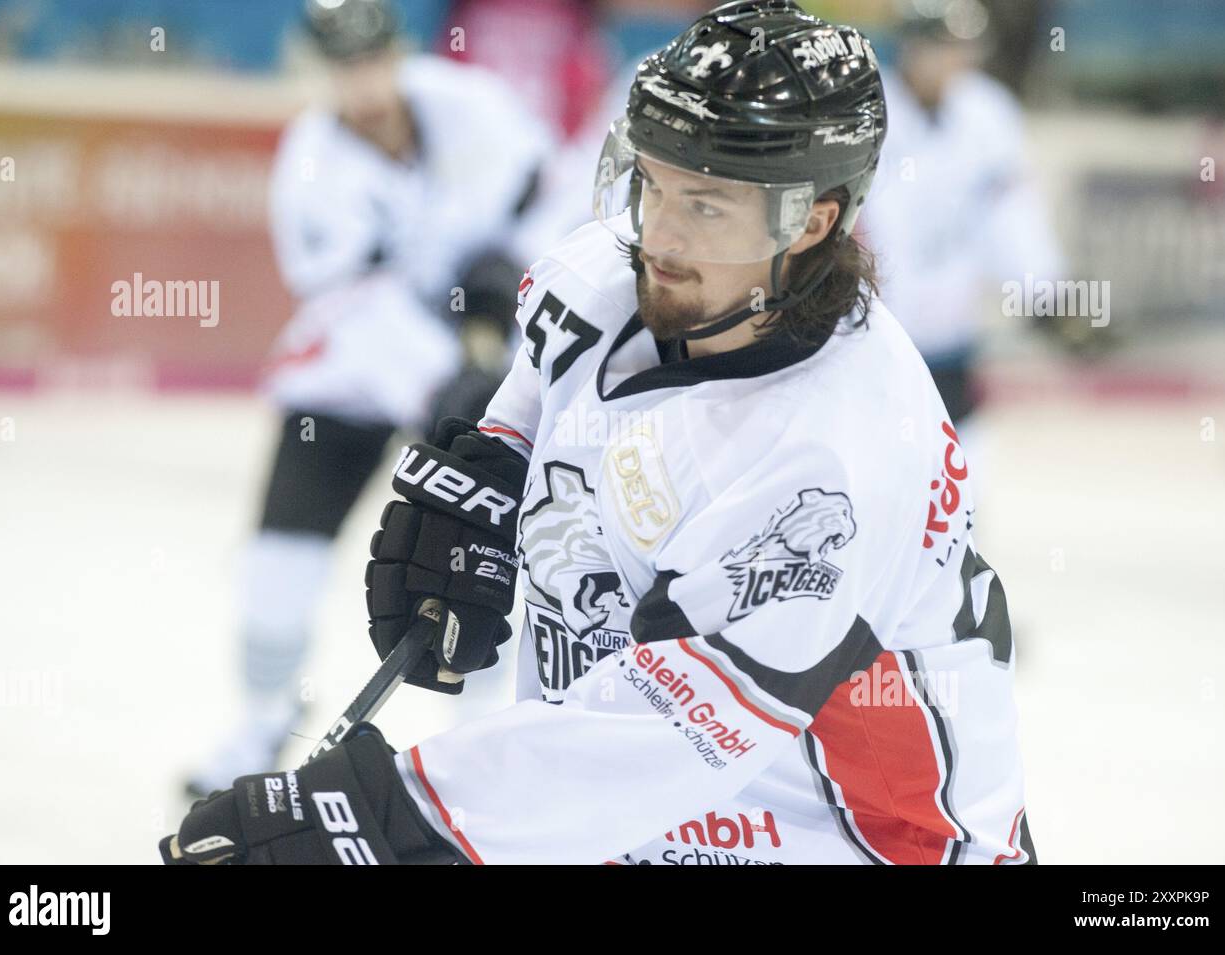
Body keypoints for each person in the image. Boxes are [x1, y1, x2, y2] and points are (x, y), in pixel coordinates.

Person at [165, 0, 1036, 865]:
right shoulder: (598, 280)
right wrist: (482, 487)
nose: (658, 233)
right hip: (642, 828)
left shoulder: (837, 451)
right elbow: (525, 413)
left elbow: (659, 735)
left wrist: (380, 815)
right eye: (651, 181)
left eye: (706, 204)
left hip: (861, 842)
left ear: (810, 221)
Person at [184, 0, 549, 797]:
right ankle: (261, 719)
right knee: (278, 562)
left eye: (374, 56)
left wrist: (505, 304)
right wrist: (452, 386)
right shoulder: (310, 170)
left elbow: (541, 203)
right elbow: (353, 310)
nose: (365, 81)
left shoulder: (474, 106)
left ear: (397, 48)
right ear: (319, 70)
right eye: (344, 65)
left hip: (481, 366)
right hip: (349, 381)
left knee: (494, 553)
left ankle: (486, 731)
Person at [861, 0, 1065, 455]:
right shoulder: (869, 114)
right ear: (913, 47)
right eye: (943, 47)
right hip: (877, 338)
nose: (956, 59)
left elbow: (1009, 212)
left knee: (963, 479)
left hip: (955, 340)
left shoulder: (987, 111)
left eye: (964, 47)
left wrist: (1045, 292)